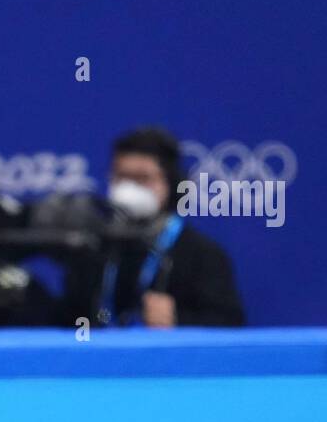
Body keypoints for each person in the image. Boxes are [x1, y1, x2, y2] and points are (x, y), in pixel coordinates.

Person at [59, 126, 246, 328]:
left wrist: (178, 320)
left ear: (171, 184)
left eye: (142, 178)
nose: (129, 189)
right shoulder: (94, 248)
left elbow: (230, 325)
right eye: (121, 177)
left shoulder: (203, 254)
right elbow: (69, 321)